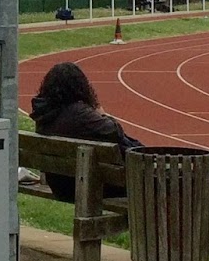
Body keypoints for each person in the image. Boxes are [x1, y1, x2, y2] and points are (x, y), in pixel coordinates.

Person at [29, 61, 143, 202]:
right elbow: (115, 132)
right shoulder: (79, 114)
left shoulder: (42, 113)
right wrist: (101, 113)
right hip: (89, 185)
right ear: (80, 87)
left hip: (59, 185)